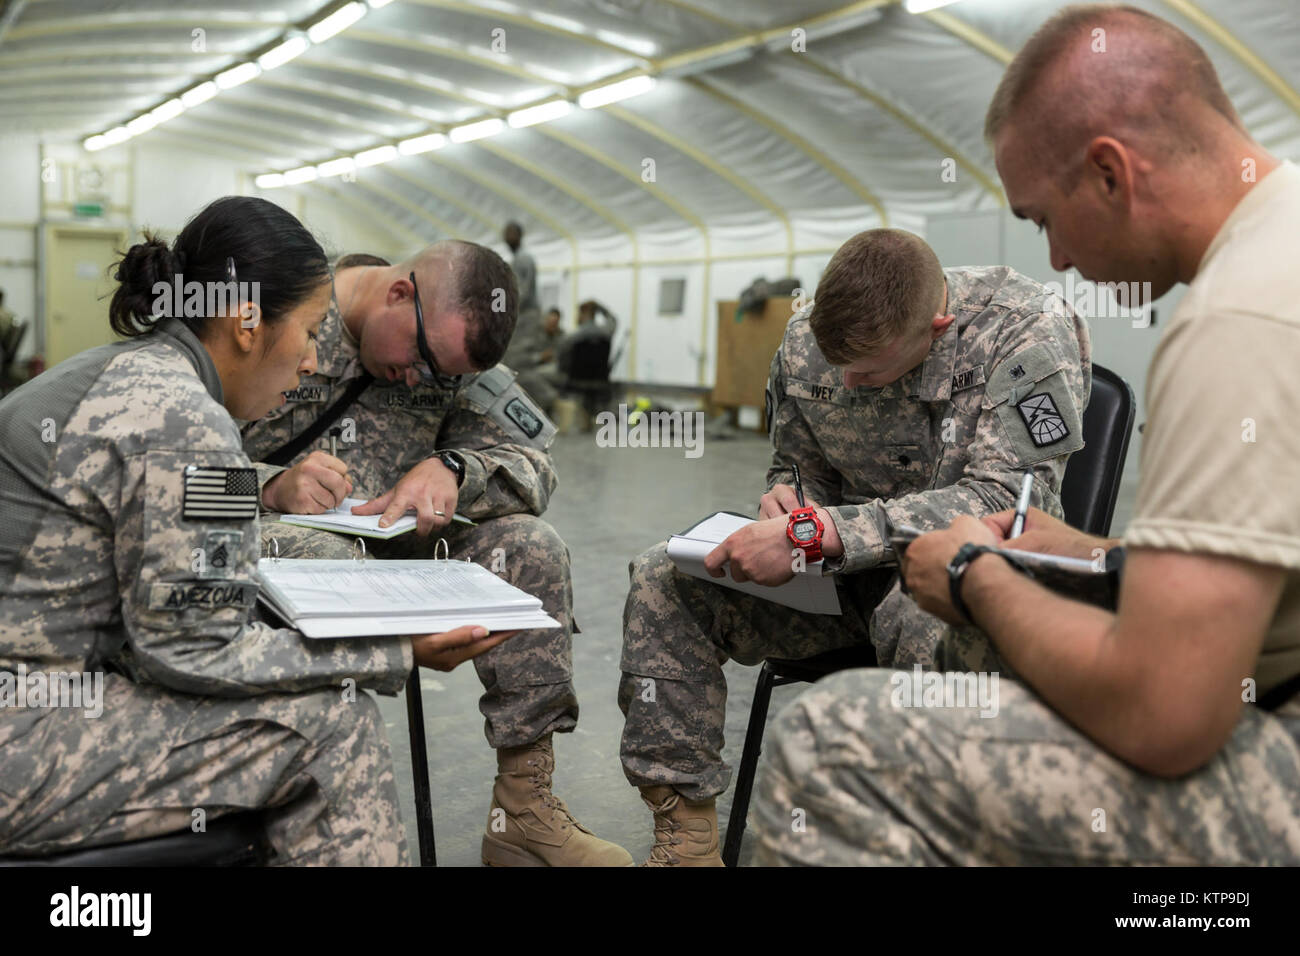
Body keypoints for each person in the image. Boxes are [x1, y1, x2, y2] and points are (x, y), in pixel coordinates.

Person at [754, 3, 1300, 867]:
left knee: (831, 744)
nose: (1057, 262)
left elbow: (1167, 715)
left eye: (1044, 218)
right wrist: (1088, 551)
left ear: (1111, 173)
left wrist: (975, 576)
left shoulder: (1235, 325)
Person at [0, 196, 513, 864]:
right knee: (334, 726)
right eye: (307, 331)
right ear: (246, 323)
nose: (309, 361)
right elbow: (193, 653)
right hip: (24, 730)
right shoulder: (184, 417)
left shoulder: (121, 373)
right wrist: (396, 650)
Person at [619, 228, 1090, 865]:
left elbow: (1004, 509)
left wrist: (817, 534)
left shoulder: (1025, 331)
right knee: (667, 578)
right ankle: (686, 836)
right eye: (835, 363)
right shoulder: (805, 337)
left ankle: (921, 842)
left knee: (920, 614)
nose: (846, 380)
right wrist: (787, 497)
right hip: (841, 582)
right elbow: (796, 463)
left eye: (866, 370)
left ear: (938, 327)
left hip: (971, 582)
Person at [239, 242, 632, 867]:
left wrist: (456, 467)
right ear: (400, 293)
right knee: (324, 560)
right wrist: (264, 483)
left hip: (398, 544)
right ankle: (284, 819)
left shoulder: (452, 352)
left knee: (532, 547)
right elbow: (167, 465)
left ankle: (523, 814)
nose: (423, 379)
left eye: (444, 376)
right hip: (275, 540)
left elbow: (534, 466)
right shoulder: (281, 299)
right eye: (422, 358)